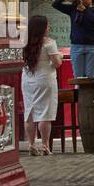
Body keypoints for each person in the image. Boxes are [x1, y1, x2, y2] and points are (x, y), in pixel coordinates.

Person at [20, 14, 61, 156]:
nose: (48, 27)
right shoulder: (49, 43)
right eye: (47, 25)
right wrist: (59, 57)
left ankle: (31, 144)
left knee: (29, 112)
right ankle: (44, 144)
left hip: (27, 78)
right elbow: (56, 63)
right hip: (45, 78)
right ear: (42, 28)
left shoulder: (24, 42)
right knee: (45, 113)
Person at [52, 0, 94, 79]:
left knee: (91, 78)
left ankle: (90, 94)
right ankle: (80, 94)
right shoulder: (73, 9)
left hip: (92, 47)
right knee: (78, 78)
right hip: (76, 46)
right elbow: (55, 5)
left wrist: (85, 11)